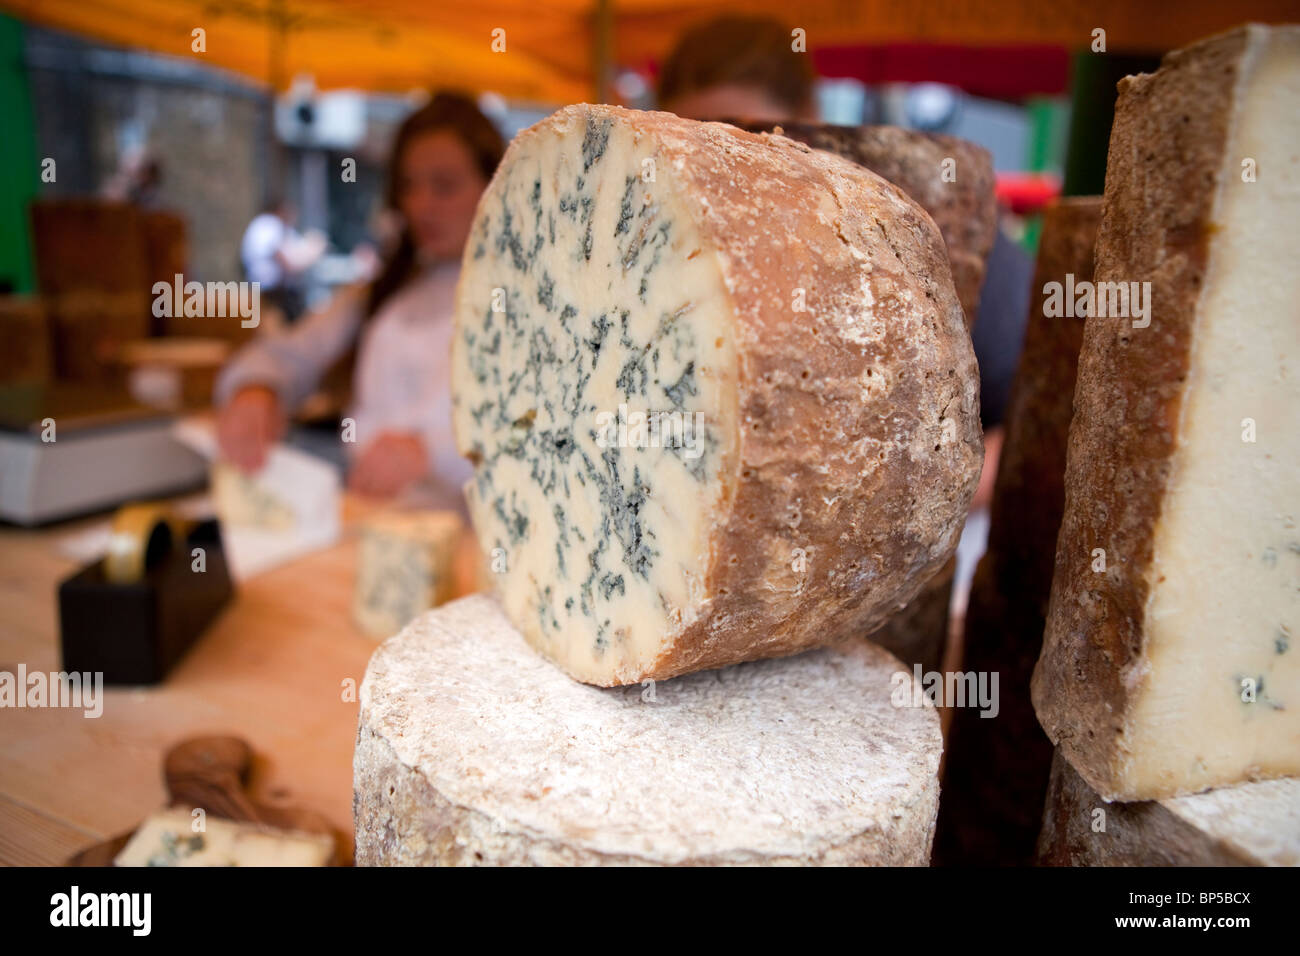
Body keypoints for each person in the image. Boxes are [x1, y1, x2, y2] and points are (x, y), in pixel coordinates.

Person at [656, 16, 1031, 511]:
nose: (716, 164)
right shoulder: (660, 249)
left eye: (736, 135)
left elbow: (1020, 428)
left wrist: (915, 502)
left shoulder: (909, 225)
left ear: (807, 119)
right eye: (691, 139)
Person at [215, 92, 505, 508]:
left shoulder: (532, 298)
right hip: (368, 522)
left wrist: (439, 452)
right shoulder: (380, 291)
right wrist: (256, 390)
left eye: (444, 186)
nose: (421, 205)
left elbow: (551, 430)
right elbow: (290, 353)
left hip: (477, 543)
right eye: (409, 186)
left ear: (495, 183)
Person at [239, 198, 326, 323]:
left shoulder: (267, 225)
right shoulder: (269, 224)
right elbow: (287, 263)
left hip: (266, 291)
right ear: (281, 210)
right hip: (272, 293)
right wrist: (312, 254)